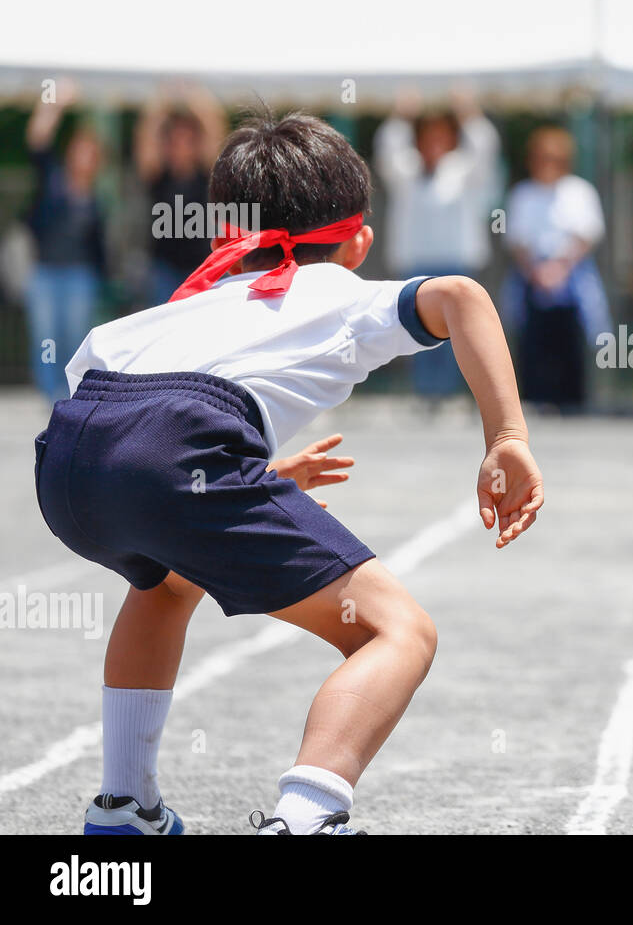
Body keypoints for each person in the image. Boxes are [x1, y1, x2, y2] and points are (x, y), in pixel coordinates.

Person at [34, 111, 544, 836]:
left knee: (166, 583)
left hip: (69, 458)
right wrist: (508, 436)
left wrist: (244, 474)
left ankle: (124, 807)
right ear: (359, 239)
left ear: (227, 236)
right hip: (183, 453)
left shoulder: (179, 306)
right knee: (397, 632)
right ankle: (309, 817)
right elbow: (463, 298)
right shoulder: (341, 294)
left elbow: (124, 414)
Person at [374, 90, 501, 398]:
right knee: (417, 331)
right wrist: (401, 117)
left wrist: (469, 114)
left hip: (455, 263)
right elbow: (387, 152)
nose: (433, 145)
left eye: (440, 138)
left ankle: (451, 394)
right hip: (417, 263)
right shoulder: (406, 170)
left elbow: (485, 149)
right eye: (427, 139)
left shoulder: (463, 170)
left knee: (457, 334)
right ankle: (425, 393)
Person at [502, 126, 609, 411]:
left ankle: (572, 399)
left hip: (571, 274)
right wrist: (536, 271)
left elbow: (588, 233)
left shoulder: (580, 191)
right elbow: (516, 239)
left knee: (570, 338)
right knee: (532, 338)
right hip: (532, 274)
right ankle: (535, 398)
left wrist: (560, 267)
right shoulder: (522, 193)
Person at [23, 84, 107, 403]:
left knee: (74, 337)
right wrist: (55, 102)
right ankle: (49, 397)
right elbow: (38, 139)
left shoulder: (96, 199)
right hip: (45, 271)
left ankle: (70, 396)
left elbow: (99, 248)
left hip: (79, 275)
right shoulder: (52, 180)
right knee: (46, 339)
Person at [134, 84, 227, 305]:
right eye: (175, 140)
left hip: (203, 268)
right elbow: (145, 137)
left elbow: (216, 130)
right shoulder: (158, 175)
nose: (181, 146)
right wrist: (163, 99)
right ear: (166, 145)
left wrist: (193, 95)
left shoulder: (207, 174)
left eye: (187, 140)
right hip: (163, 269)